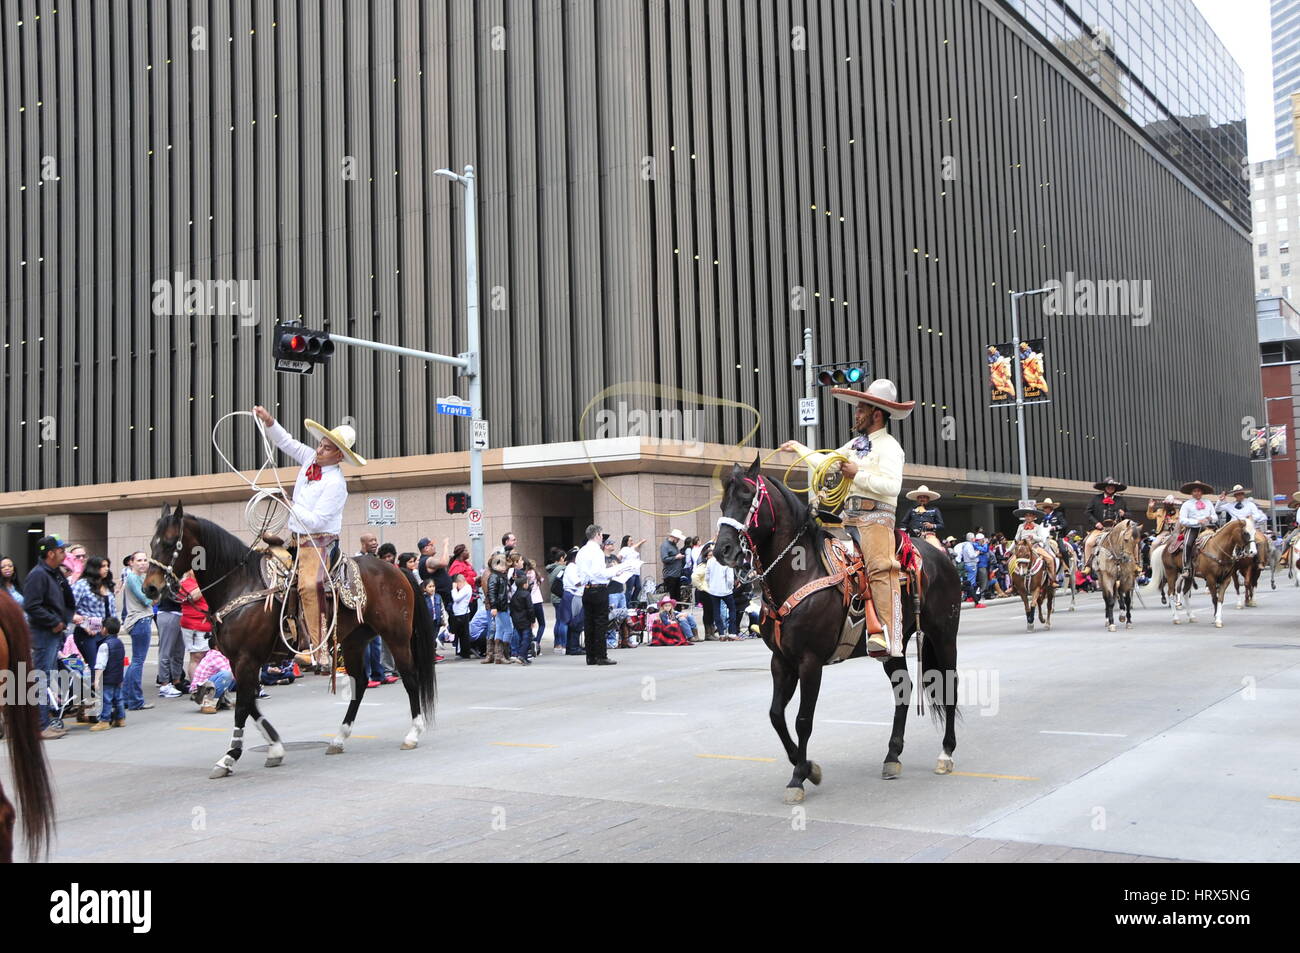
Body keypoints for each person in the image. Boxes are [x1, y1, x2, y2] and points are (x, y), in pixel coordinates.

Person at [780, 378, 915, 658]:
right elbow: (827, 461)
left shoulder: (891, 447)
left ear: (876, 414)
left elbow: (893, 487)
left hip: (877, 518)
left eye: (861, 409)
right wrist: (800, 448)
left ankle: (889, 635)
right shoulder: (855, 443)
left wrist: (857, 474)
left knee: (880, 567)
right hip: (847, 517)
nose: (856, 413)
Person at [253, 404, 367, 673]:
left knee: (307, 585)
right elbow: (286, 442)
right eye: (320, 445)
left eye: (327, 448)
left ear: (339, 456)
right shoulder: (309, 461)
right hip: (295, 539)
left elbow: (316, 521)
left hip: (320, 543)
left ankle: (319, 650)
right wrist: (270, 421)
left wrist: (290, 504)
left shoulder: (336, 484)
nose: (319, 450)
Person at [23, 536, 84, 739]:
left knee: (46, 678)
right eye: (60, 551)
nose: (64, 554)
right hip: (43, 633)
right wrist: (54, 621)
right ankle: (40, 725)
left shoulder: (53, 573)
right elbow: (32, 606)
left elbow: (68, 600)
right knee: (40, 679)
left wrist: (64, 618)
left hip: (54, 633)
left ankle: (45, 722)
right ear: (50, 553)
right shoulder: (38, 575)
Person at [576, 524, 633, 666]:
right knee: (601, 623)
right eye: (601, 535)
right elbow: (599, 572)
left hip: (587, 589)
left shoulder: (582, 551)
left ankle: (591, 656)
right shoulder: (596, 551)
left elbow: (583, 573)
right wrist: (617, 569)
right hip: (598, 588)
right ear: (597, 535)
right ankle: (601, 656)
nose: (602, 538)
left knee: (589, 623)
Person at [120, 550, 155, 712]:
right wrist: (155, 597)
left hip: (141, 619)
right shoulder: (133, 578)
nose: (143, 563)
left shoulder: (140, 577)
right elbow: (146, 599)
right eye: (139, 560)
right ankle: (135, 700)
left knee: (136, 661)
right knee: (138, 661)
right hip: (140, 620)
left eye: (145, 560)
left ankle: (126, 697)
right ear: (131, 563)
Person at [1083, 477, 1130, 572]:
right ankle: (1087, 565)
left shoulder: (1121, 500)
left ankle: (1136, 564)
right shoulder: (1096, 498)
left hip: (1117, 530)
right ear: (1105, 488)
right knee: (1088, 543)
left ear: (1115, 489)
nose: (1110, 488)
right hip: (1100, 529)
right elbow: (1087, 512)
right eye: (1108, 487)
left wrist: (1124, 514)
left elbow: (1130, 514)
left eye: (1112, 487)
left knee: (1131, 541)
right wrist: (1096, 523)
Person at [89, 616, 126, 731]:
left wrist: (96, 679)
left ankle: (104, 720)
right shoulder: (120, 643)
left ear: (104, 629)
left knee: (106, 699)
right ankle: (120, 718)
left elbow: (100, 664)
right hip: (118, 677)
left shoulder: (104, 645)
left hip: (107, 678)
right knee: (118, 698)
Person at [1177, 480, 1218, 580]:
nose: (1197, 493)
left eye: (1199, 491)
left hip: (1208, 528)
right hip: (1193, 529)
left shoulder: (1208, 502)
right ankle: (1186, 567)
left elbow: (1215, 516)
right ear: (1191, 493)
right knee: (1187, 544)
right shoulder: (1186, 504)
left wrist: (1210, 518)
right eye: (1195, 491)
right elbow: (1182, 519)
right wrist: (1197, 521)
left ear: (1202, 492)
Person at [177, 569, 212, 686]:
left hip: (206, 625)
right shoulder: (187, 583)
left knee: (205, 656)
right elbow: (194, 596)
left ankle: (203, 684)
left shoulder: (201, 581)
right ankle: (196, 686)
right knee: (196, 657)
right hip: (194, 625)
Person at [1216, 484, 1267, 557]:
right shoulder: (1230, 505)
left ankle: (1260, 561)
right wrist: (1220, 500)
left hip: (1248, 528)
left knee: (1261, 541)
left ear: (1243, 494)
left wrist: (1250, 518)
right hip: (1234, 528)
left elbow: (1257, 516)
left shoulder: (1250, 504)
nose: (1240, 496)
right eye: (1237, 494)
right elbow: (1217, 509)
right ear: (1235, 496)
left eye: (1241, 494)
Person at [1013, 508, 1057, 585]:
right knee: (1010, 562)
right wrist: (1009, 550)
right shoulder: (1020, 526)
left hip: (1035, 546)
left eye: (1030, 516)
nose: (1028, 517)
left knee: (1050, 559)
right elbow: (1016, 538)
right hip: (1022, 547)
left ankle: (1052, 579)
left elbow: (1041, 539)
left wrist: (1034, 537)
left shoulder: (1037, 526)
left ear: (1034, 517)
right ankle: (1013, 585)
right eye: (1026, 516)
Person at [704, 544, 738, 640]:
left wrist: (710, 585)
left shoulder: (710, 561)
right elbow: (730, 578)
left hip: (714, 589)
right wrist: (730, 587)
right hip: (725, 590)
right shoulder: (727, 561)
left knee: (716, 611)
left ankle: (721, 633)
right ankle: (732, 632)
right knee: (732, 609)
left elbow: (707, 575)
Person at [191, 641, 235, 715]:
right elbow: (231, 673)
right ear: (216, 647)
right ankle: (208, 703)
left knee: (232, 677)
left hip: (206, 687)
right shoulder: (215, 656)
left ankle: (221, 701)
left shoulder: (218, 655)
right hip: (201, 691)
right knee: (227, 675)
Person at [483, 553, 512, 664]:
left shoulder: (498, 576)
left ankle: (499, 656)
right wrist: (494, 607)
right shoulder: (495, 576)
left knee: (499, 630)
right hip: (500, 607)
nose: (506, 568)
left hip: (500, 606)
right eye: (504, 565)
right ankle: (502, 655)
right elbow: (492, 592)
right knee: (507, 630)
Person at [561, 547, 585, 655]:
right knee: (576, 622)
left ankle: (573, 646)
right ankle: (573, 647)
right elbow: (577, 582)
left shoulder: (574, 567)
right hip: (573, 595)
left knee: (576, 621)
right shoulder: (571, 567)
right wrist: (587, 579)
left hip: (575, 595)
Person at [509, 570, 535, 665]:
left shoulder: (514, 595)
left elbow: (512, 608)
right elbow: (530, 608)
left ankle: (522, 656)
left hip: (516, 620)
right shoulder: (526, 595)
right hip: (525, 620)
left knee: (520, 637)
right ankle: (522, 655)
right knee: (526, 638)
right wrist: (532, 620)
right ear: (524, 584)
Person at [523, 558, 547, 658]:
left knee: (529, 624)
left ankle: (528, 644)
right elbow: (541, 580)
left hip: (528, 602)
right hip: (537, 601)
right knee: (542, 624)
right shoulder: (535, 573)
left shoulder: (524, 574)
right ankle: (536, 642)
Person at [449, 572, 475, 658]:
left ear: (460, 582)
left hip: (461, 613)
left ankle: (464, 651)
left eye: (458, 585)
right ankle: (460, 650)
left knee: (462, 634)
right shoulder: (465, 588)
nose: (457, 587)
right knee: (460, 633)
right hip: (459, 613)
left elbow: (456, 598)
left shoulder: (466, 588)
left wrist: (453, 589)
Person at [660, 530, 687, 601]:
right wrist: (676, 557)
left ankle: (677, 610)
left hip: (676, 574)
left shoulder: (673, 545)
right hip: (670, 575)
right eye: (678, 539)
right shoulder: (665, 545)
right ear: (673, 537)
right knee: (671, 597)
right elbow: (664, 559)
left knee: (677, 597)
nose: (678, 540)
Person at [619, 536, 647, 603]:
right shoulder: (624, 549)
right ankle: (627, 603)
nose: (632, 542)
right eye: (630, 540)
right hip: (629, 572)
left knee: (638, 587)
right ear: (626, 541)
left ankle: (633, 601)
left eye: (632, 540)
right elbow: (618, 558)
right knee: (629, 589)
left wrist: (642, 541)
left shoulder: (631, 548)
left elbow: (636, 545)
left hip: (636, 572)